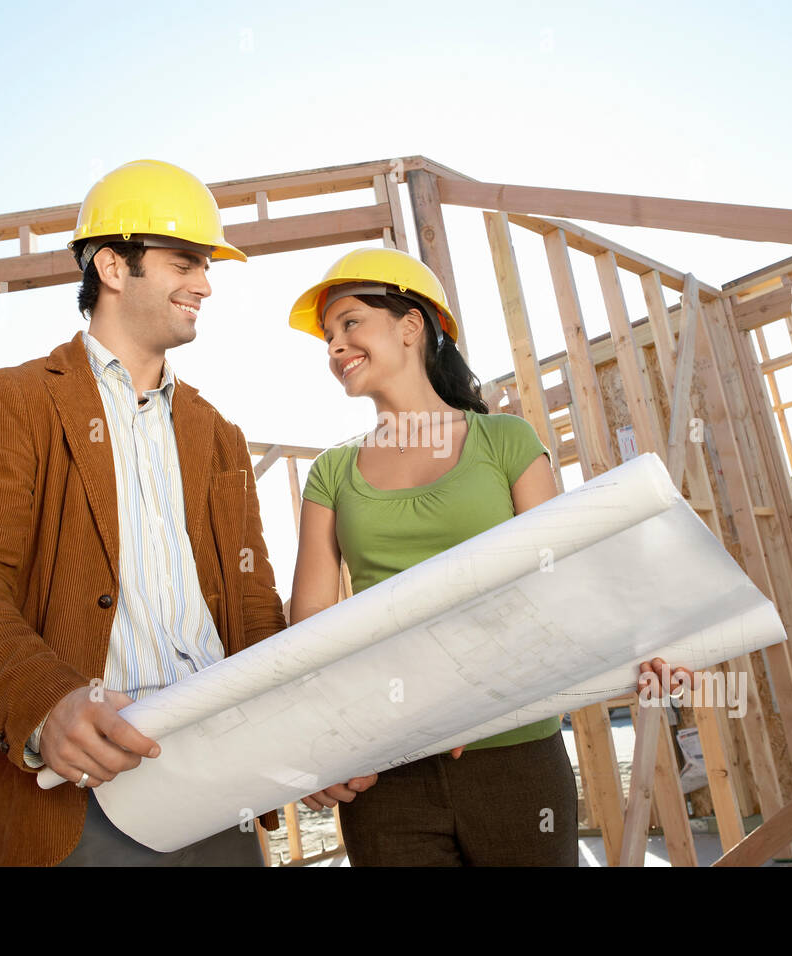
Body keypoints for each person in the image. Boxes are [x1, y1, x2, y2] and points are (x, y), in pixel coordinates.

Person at [0, 159, 288, 866]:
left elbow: (252, 606)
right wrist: (48, 702)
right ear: (114, 267)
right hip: (81, 794)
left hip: (223, 777)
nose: (205, 284)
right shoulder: (14, 402)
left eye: (207, 267)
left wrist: (298, 734)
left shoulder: (219, 435)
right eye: (185, 261)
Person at [286, 248, 694, 866]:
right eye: (328, 336)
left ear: (410, 325)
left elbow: (560, 581)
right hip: (386, 768)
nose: (334, 346)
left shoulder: (505, 442)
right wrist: (324, 741)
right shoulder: (333, 473)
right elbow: (310, 621)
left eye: (349, 323)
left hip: (514, 755)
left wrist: (639, 646)